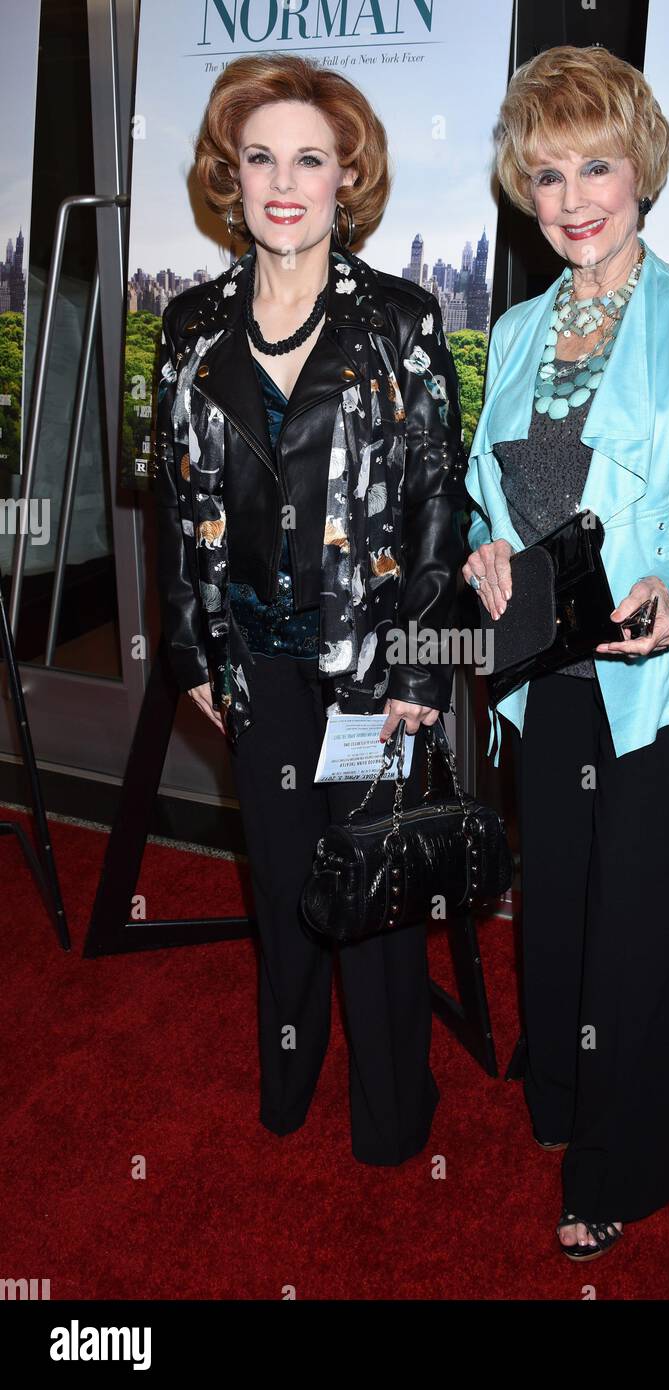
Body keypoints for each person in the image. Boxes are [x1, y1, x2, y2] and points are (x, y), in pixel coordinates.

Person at [464, 45, 669, 1259]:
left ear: (640, 165)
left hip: (661, 667)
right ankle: (560, 1096)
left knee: (636, 921)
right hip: (544, 666)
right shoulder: (511, 334)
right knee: (550, 896)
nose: (574, 199)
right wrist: (481, 557)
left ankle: (618, 1168)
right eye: (547, 176)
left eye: (595, 164)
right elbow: (487, 501)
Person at [151, 53, 468, 1165]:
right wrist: (190, 646)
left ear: (348, 178)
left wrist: (424, 671)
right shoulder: (188, 329)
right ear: (228, 175)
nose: (284, 182)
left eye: (311, 159)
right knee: (284, 883)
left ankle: (391, 1120)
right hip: (255, 662)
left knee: (374, 891)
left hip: (372, 665)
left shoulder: (400, 322)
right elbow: (178, 499)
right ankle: (286, 1090)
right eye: (260, 157)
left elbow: (440, 502)